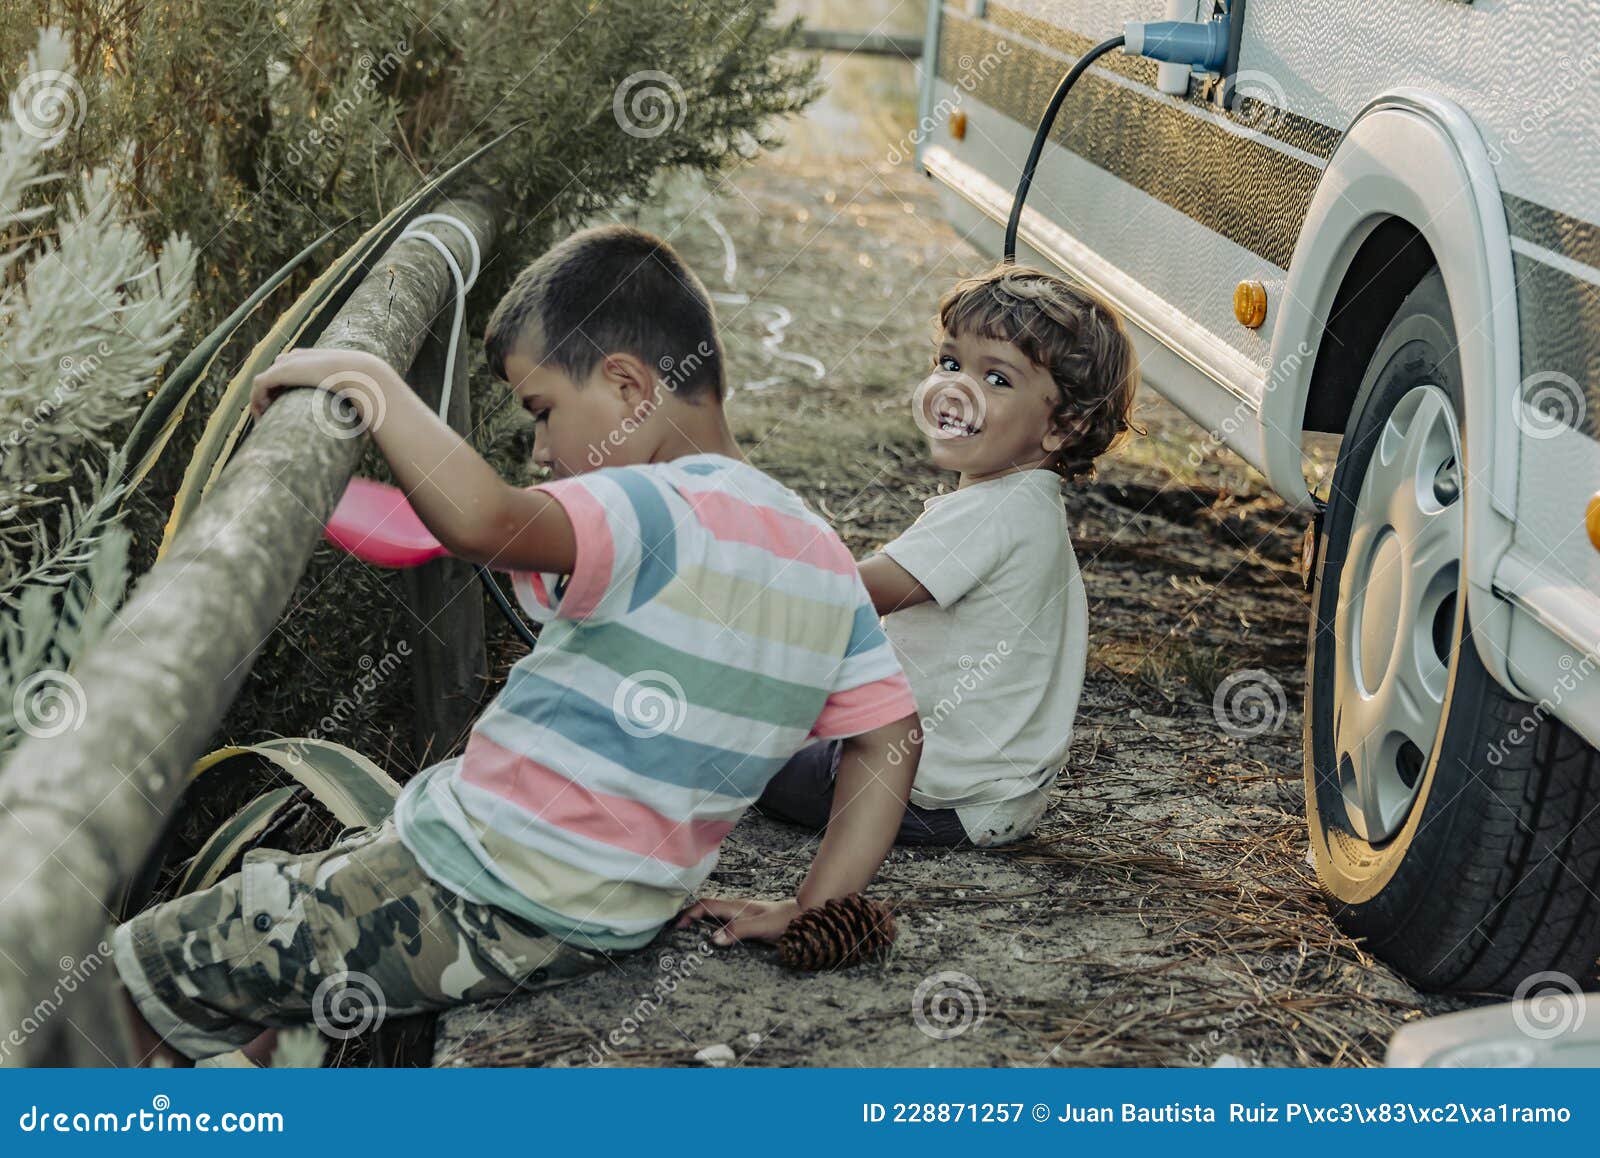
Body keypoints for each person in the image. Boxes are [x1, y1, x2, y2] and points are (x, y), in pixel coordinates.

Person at [112, 224, 920, 1064]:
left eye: (543, 413)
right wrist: (819, 905)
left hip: (475, 888)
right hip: (610, 915)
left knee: (132, 974)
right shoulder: (821, 552)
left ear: (630, 388)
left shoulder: (649, 502)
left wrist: (374, 384)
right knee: (279, 1028)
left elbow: (485, 520)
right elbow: (893, 738)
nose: (540, 448)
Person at [757, 264, 1139, 848]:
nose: (957, 390)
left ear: (1063, 425)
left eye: (998, 380)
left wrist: (754, 566)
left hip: (926, 791)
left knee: (751, 740)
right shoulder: (1030, 505)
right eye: (951, 364)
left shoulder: (989, 514)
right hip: (994, 795)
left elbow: (850, 594)